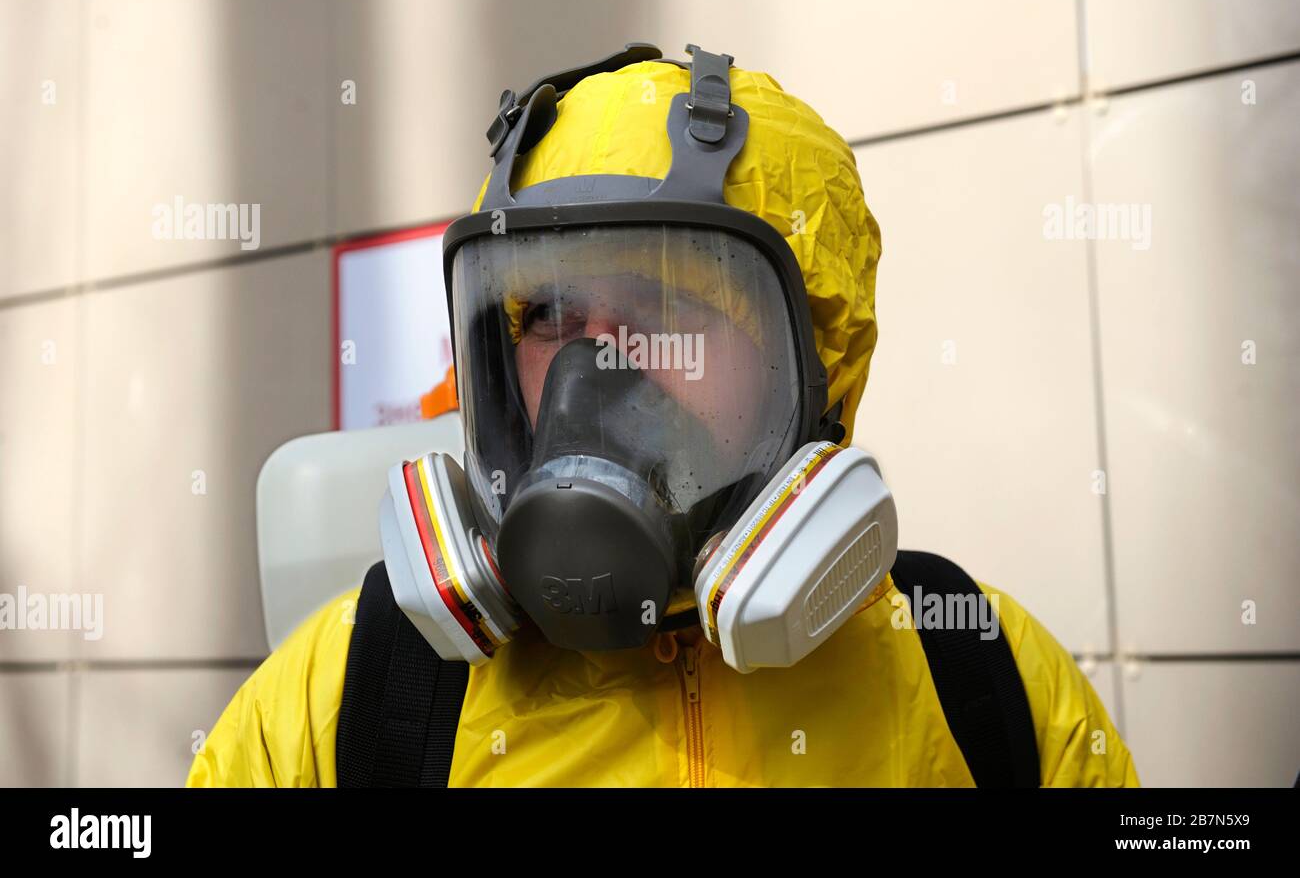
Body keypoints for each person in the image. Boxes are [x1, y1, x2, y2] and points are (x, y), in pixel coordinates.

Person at [187, 43, 1139, 787]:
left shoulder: (970, 668)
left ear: (813, 364)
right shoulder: (360, 693)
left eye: (668, 312)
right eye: (551, 316)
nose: (589, 372)